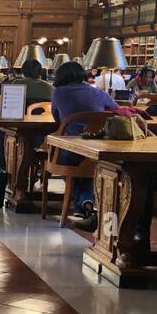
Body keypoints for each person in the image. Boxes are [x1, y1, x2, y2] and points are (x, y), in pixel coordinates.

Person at [50, 60, 118, 229]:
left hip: (68, 150)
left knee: (68, 163)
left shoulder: (59, 93)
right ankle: (86, 204)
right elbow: (116, 111)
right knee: (88, 167)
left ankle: (84, 203)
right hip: (96, 149)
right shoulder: (97, 92)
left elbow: (56, 117)